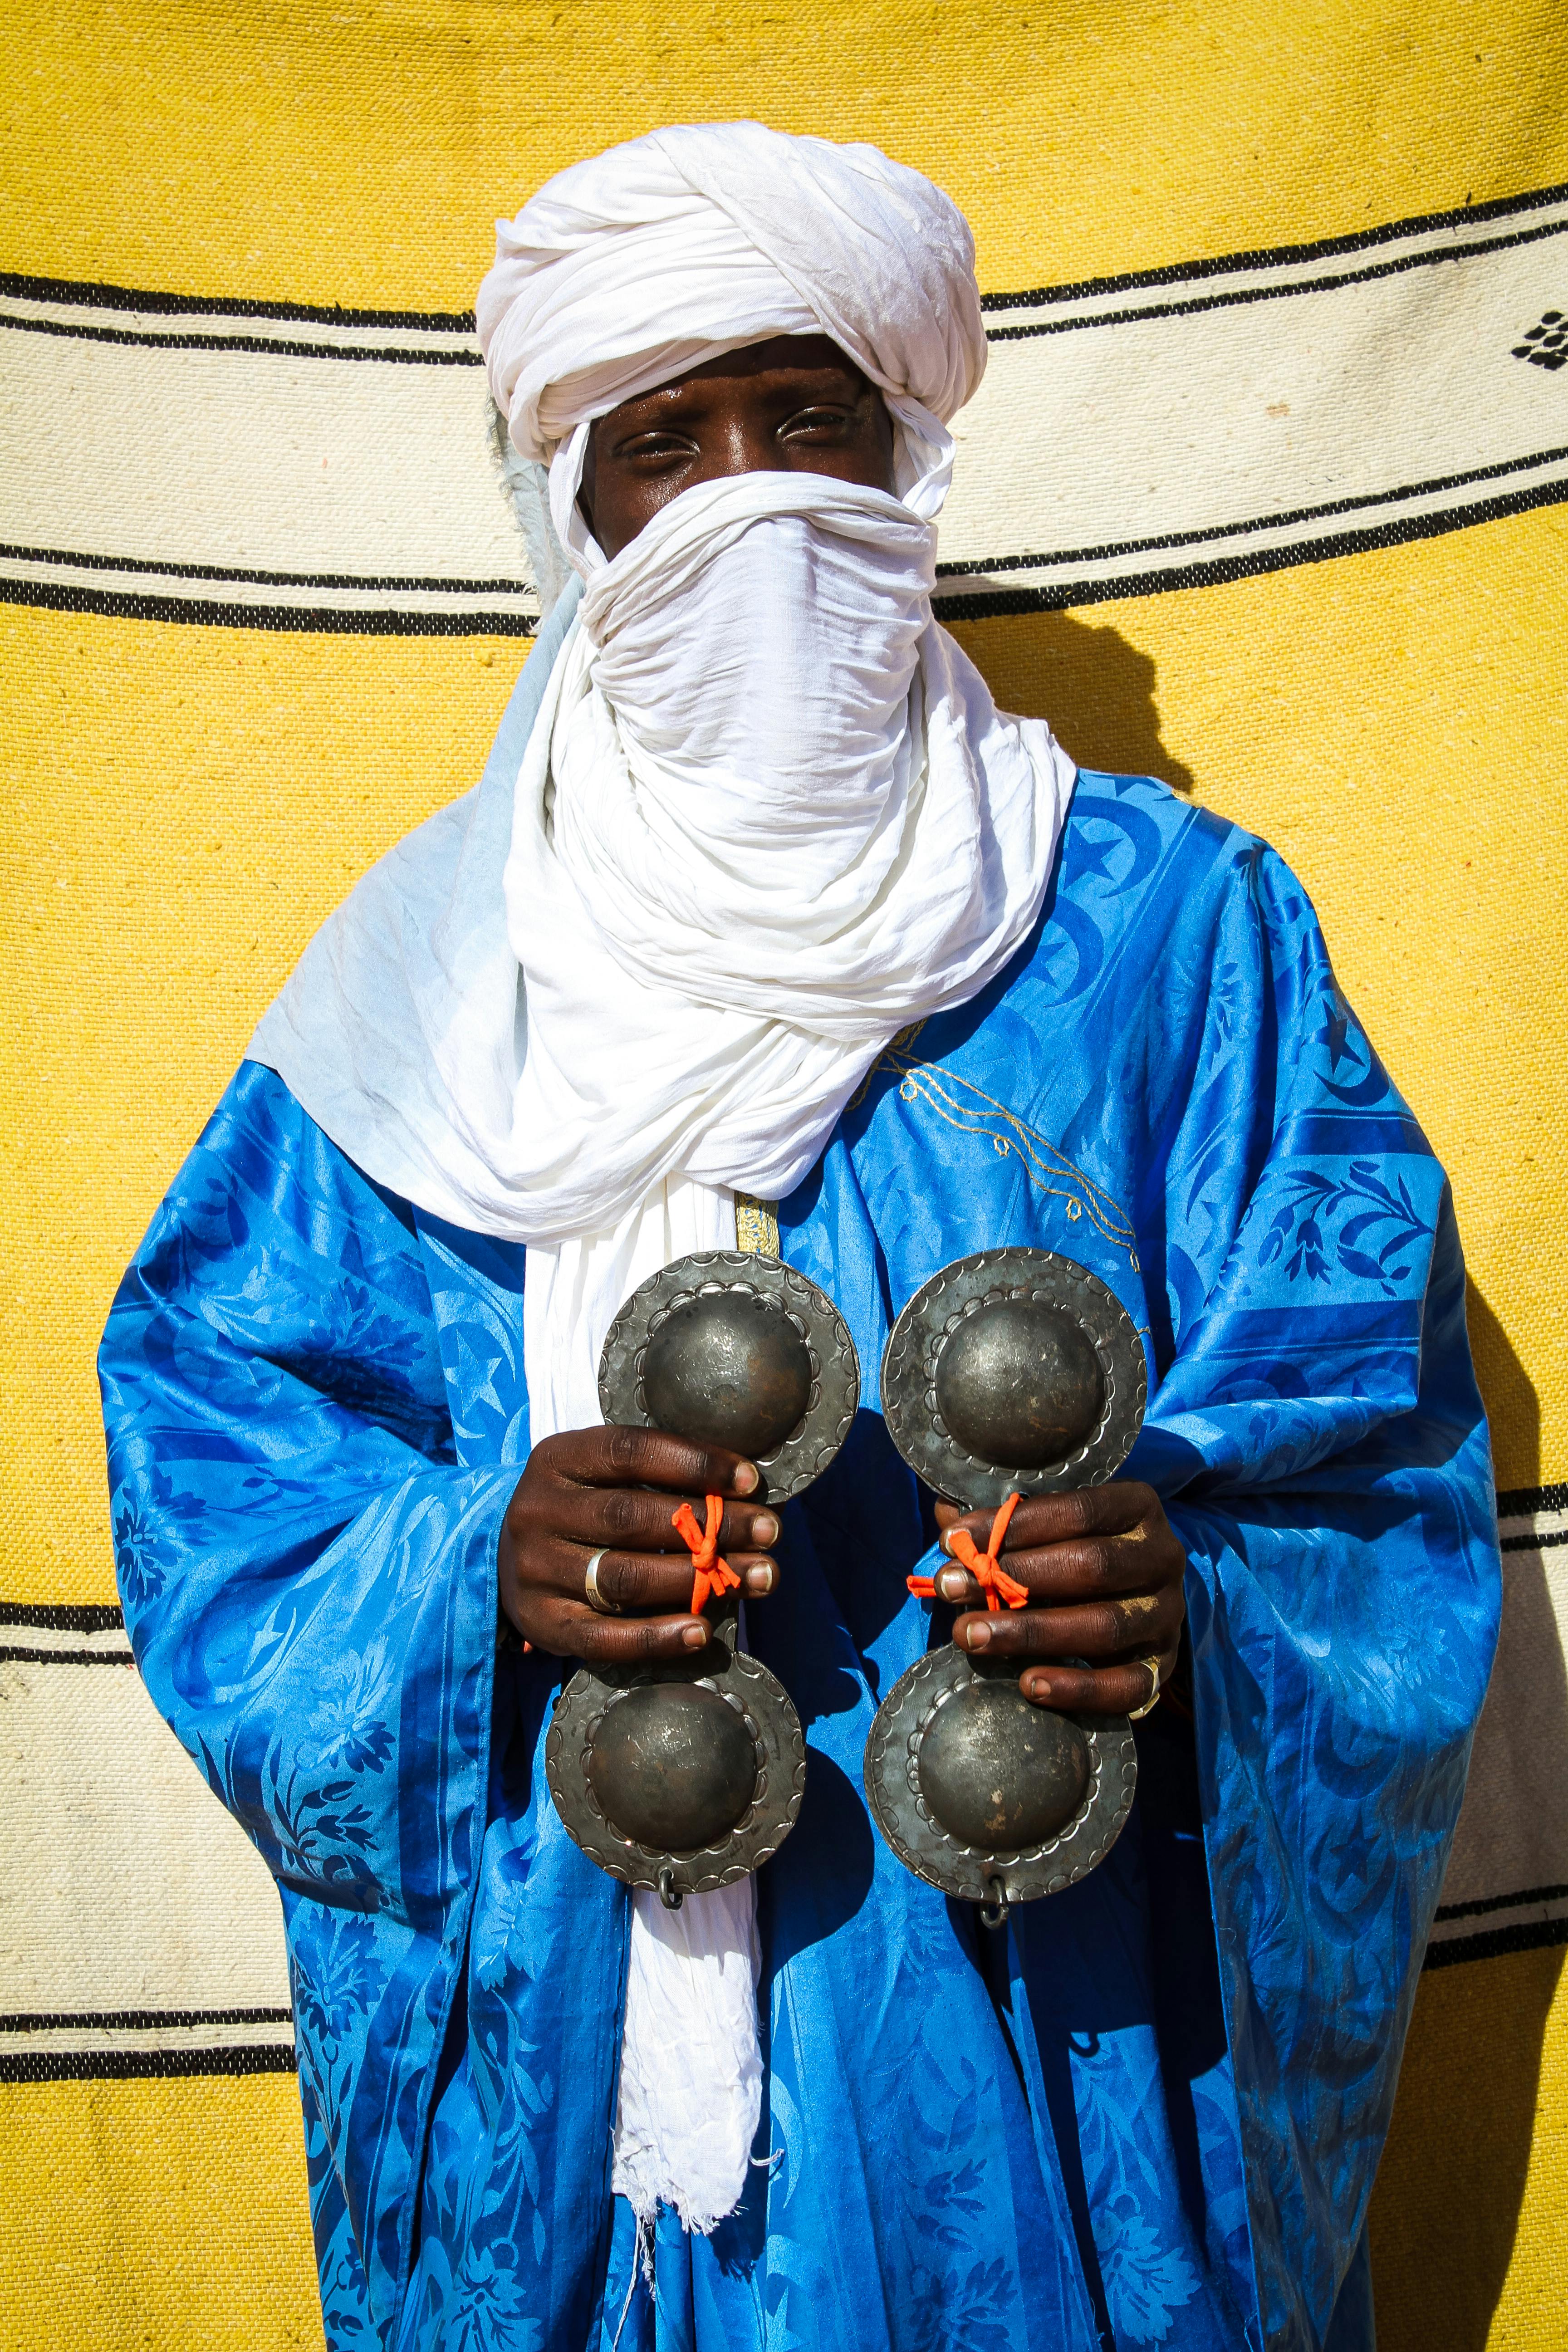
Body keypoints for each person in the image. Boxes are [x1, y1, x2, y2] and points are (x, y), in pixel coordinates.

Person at [99, 123, 1500, 2352]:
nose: (754, 499)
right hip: (582, 2048)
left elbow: (1376, 1460)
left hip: (1052, 2024)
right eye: (668, 441)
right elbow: (225, 1471)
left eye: (811, 421)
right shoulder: (430, 999)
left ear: (912, 451)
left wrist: (1191, 1586)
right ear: (576, 513)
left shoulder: (1161, 938)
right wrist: (479, 1570)